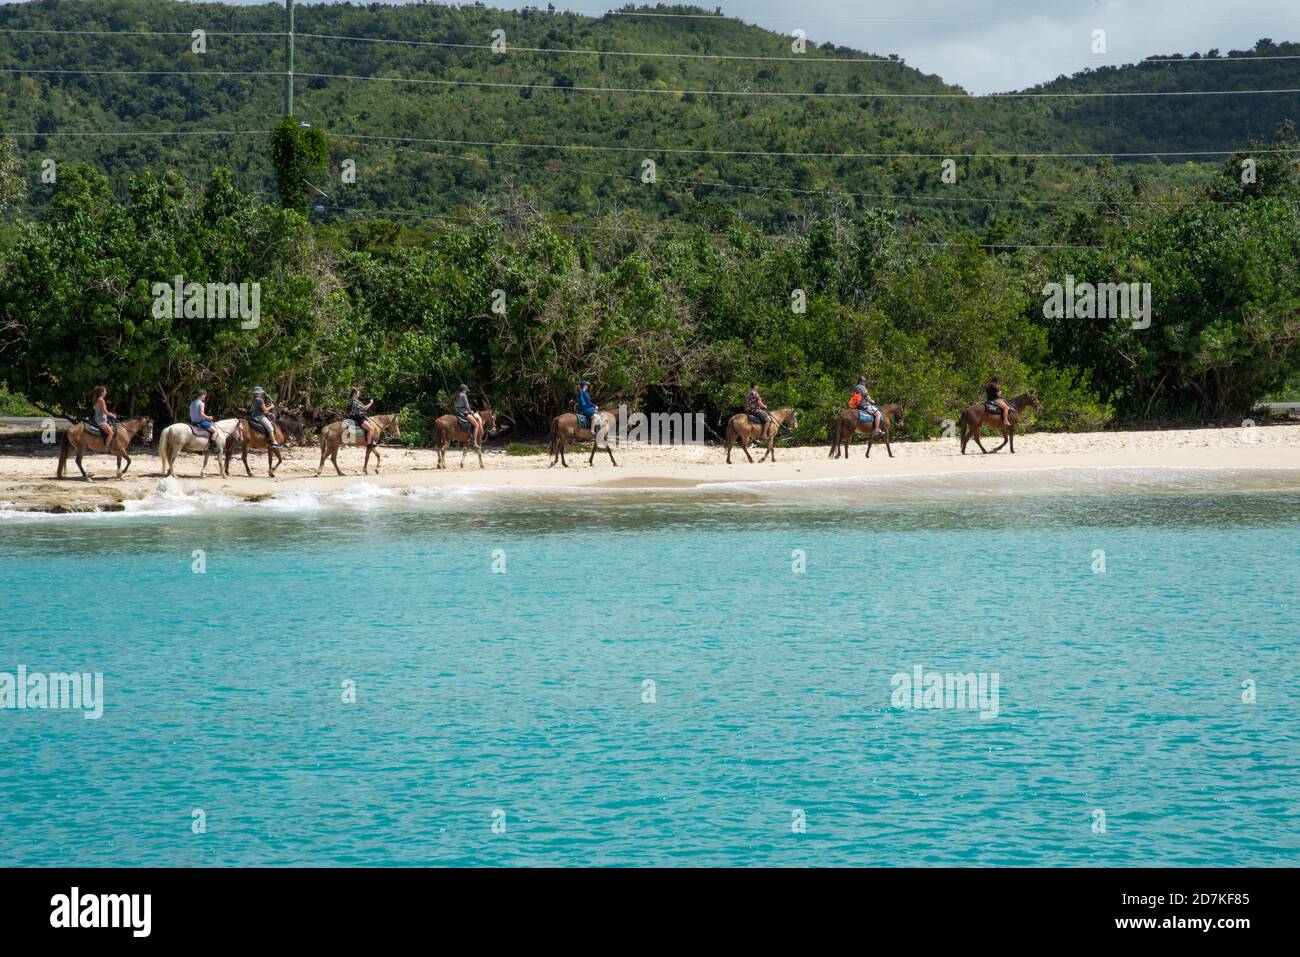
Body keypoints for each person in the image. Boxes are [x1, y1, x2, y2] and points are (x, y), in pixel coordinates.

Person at [91, 385, 117, 452]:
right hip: (101, 420)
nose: (106, 392)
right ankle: (105, 448)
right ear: (102, 392)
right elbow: (105, 411)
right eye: (105, 391)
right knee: (111, 433)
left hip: (102, 419)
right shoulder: (101, 400)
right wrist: (112, 415)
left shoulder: (98, 399)